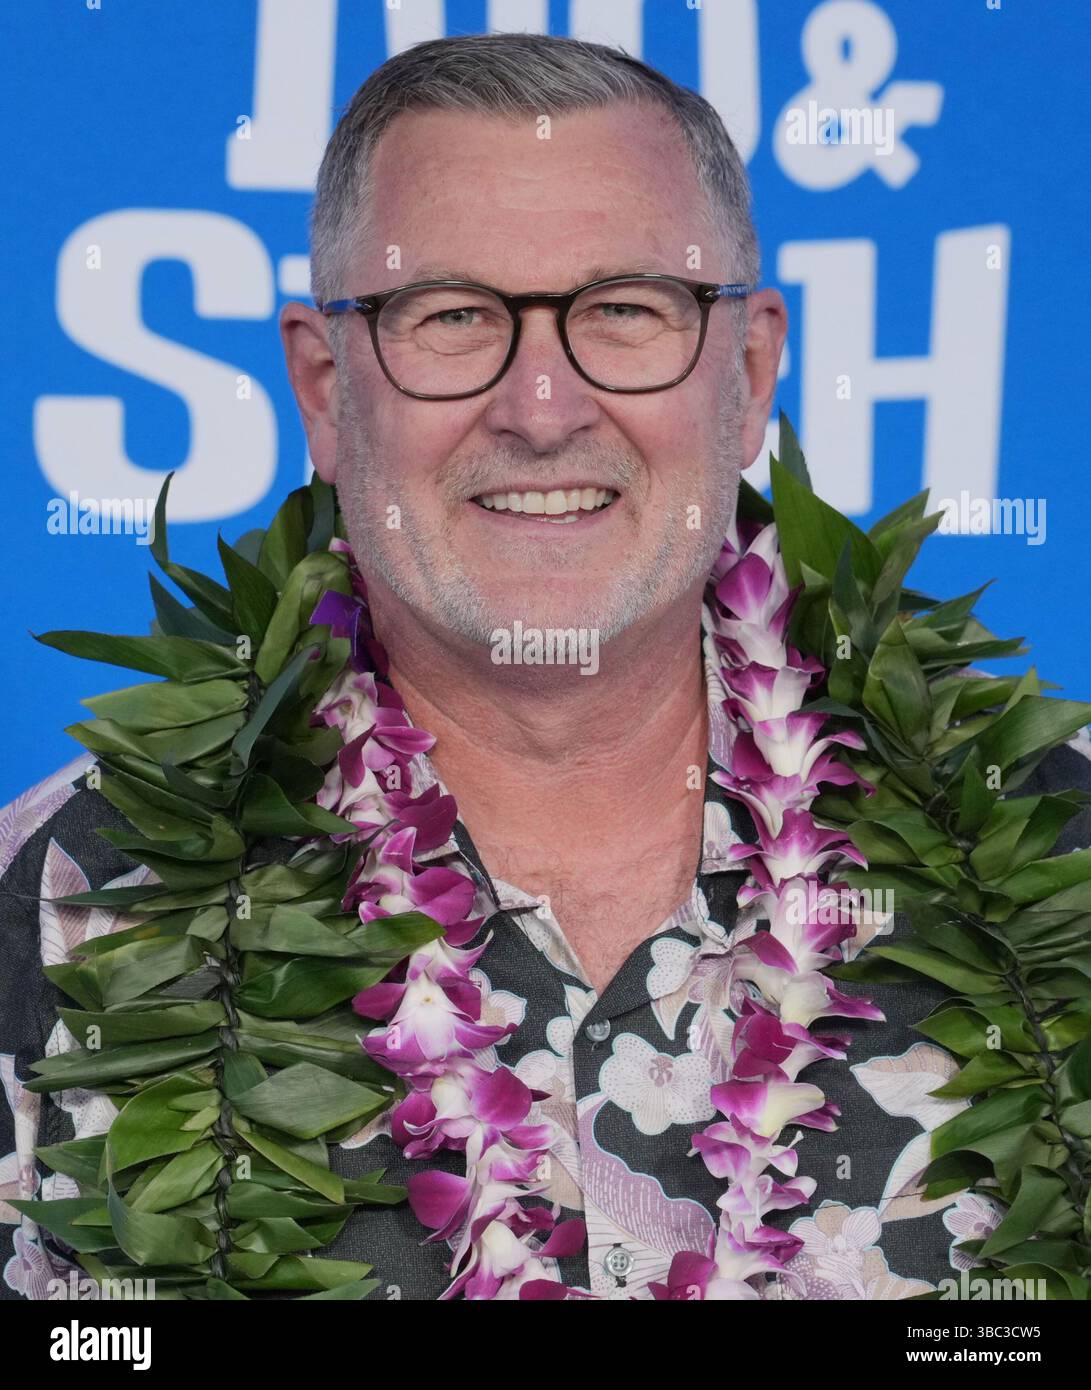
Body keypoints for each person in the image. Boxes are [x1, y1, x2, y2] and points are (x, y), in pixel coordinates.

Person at [3, 31, 1089, 1303]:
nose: (538, 406)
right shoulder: (64, 901)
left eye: (623, 310)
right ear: (321, 384)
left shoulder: (1056, 853)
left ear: (744, 375)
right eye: (452, 316)